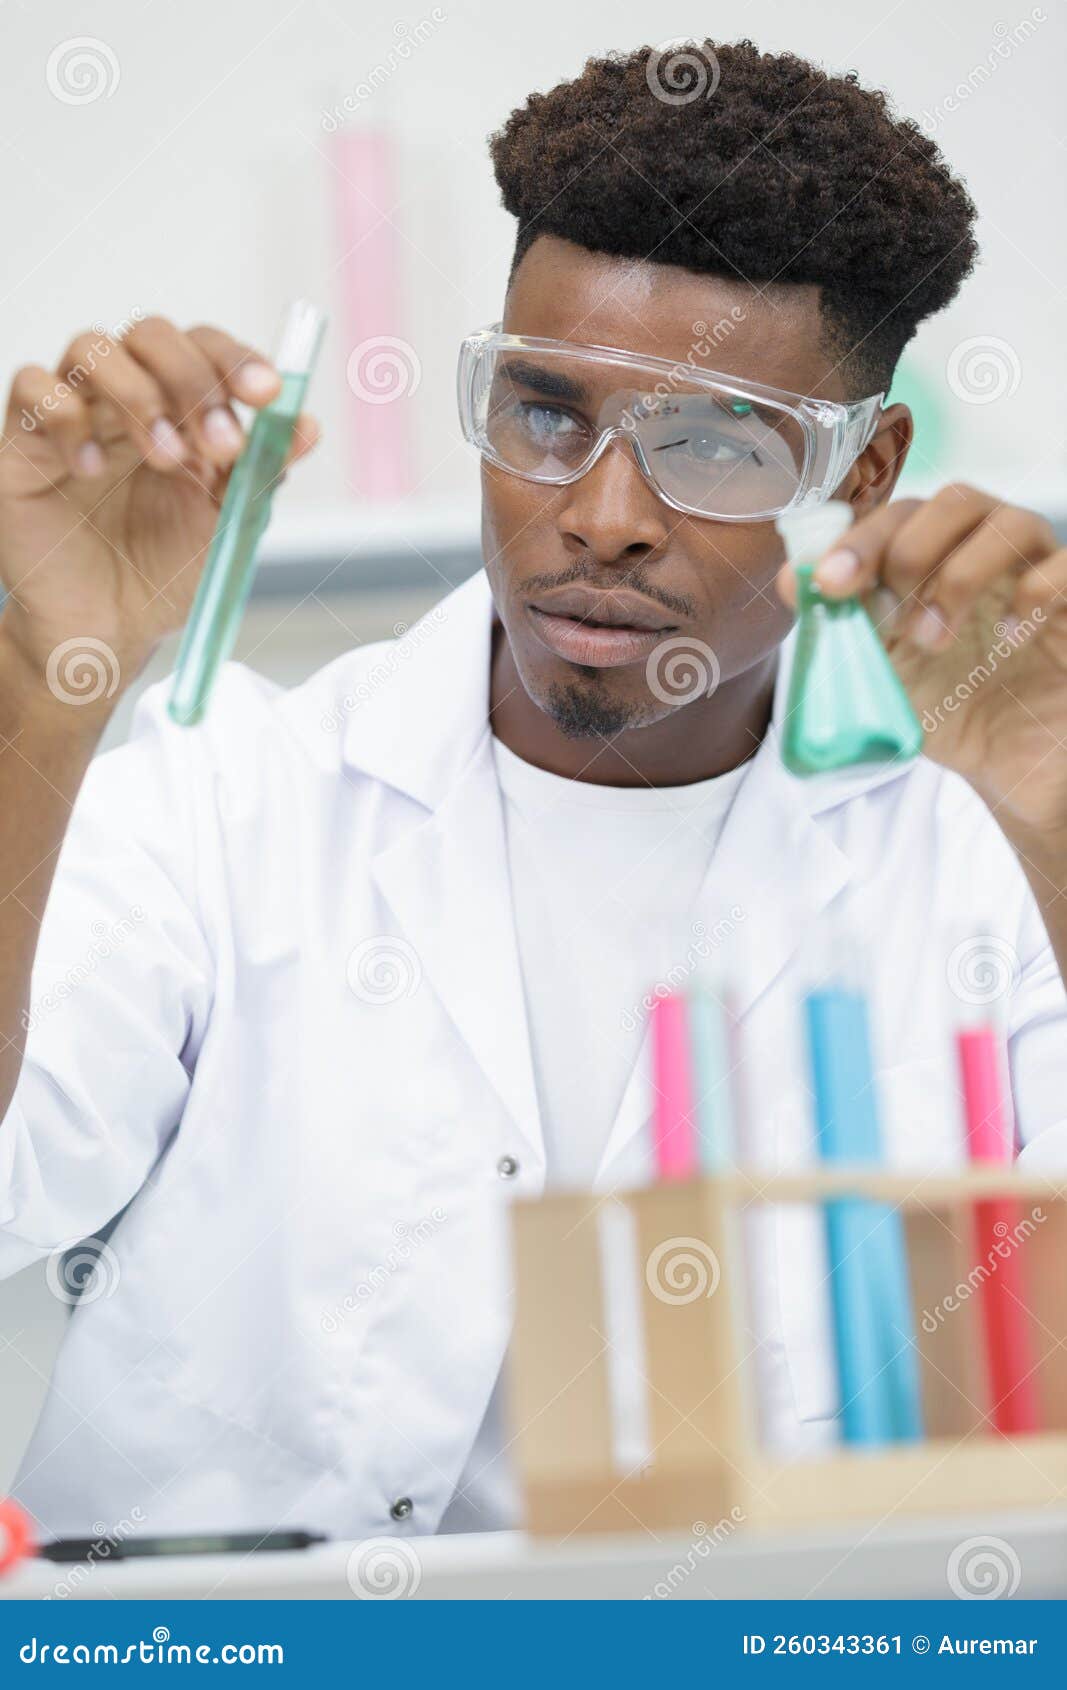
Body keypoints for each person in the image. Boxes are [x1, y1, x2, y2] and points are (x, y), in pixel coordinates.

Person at [0, 41, 1064, 1543]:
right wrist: (46, 682)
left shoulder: (984, 875)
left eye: (711, 441)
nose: (603, 517)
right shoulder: (223, 802)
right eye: (547, 412)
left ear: (866, 469)